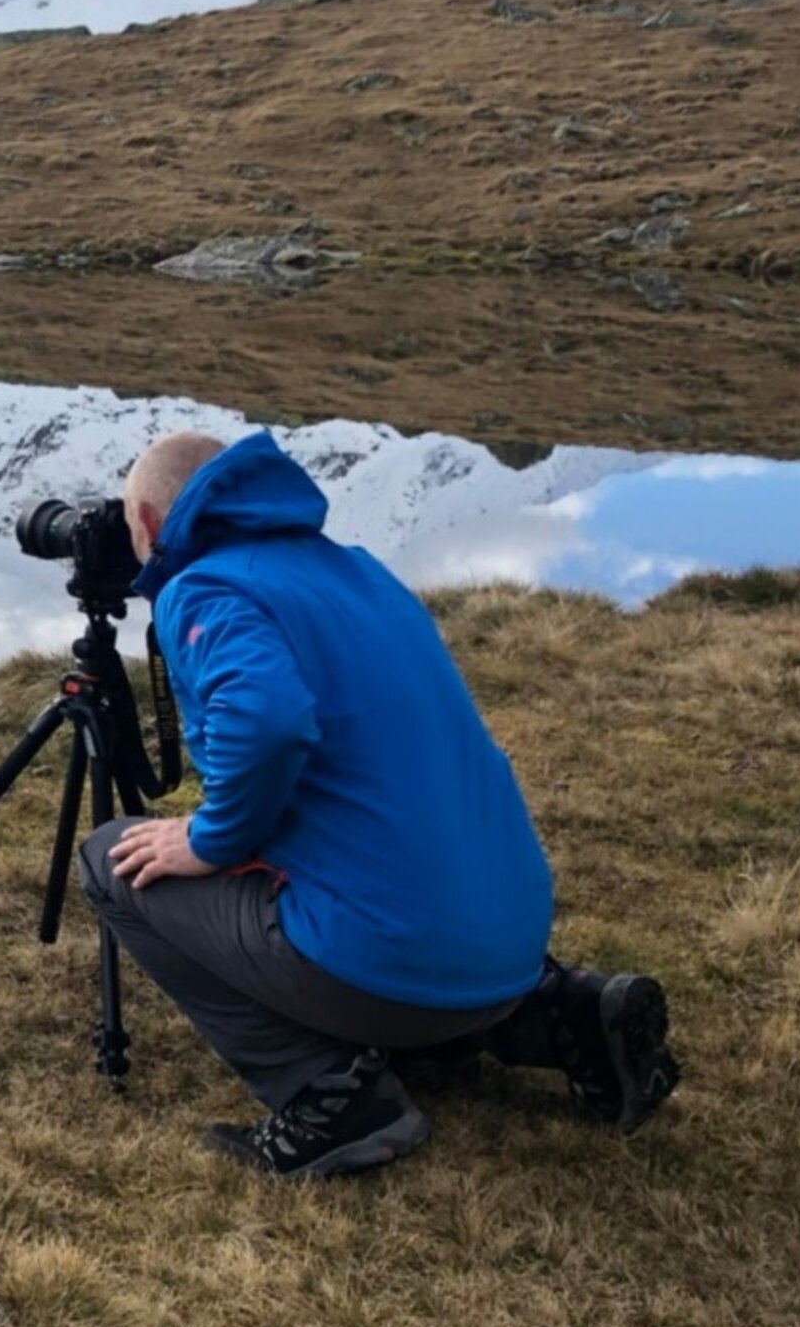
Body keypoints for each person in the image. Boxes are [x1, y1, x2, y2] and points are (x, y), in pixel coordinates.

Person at [77, 429, 680, 1180]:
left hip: (392, 968)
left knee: (111, 860)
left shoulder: (204, 589)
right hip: (512, 944)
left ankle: (328, 1096)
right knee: (383, 855)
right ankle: (564, 1013)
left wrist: (210, 840)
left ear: (147, 524)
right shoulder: (356, 571)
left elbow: (265, 720)